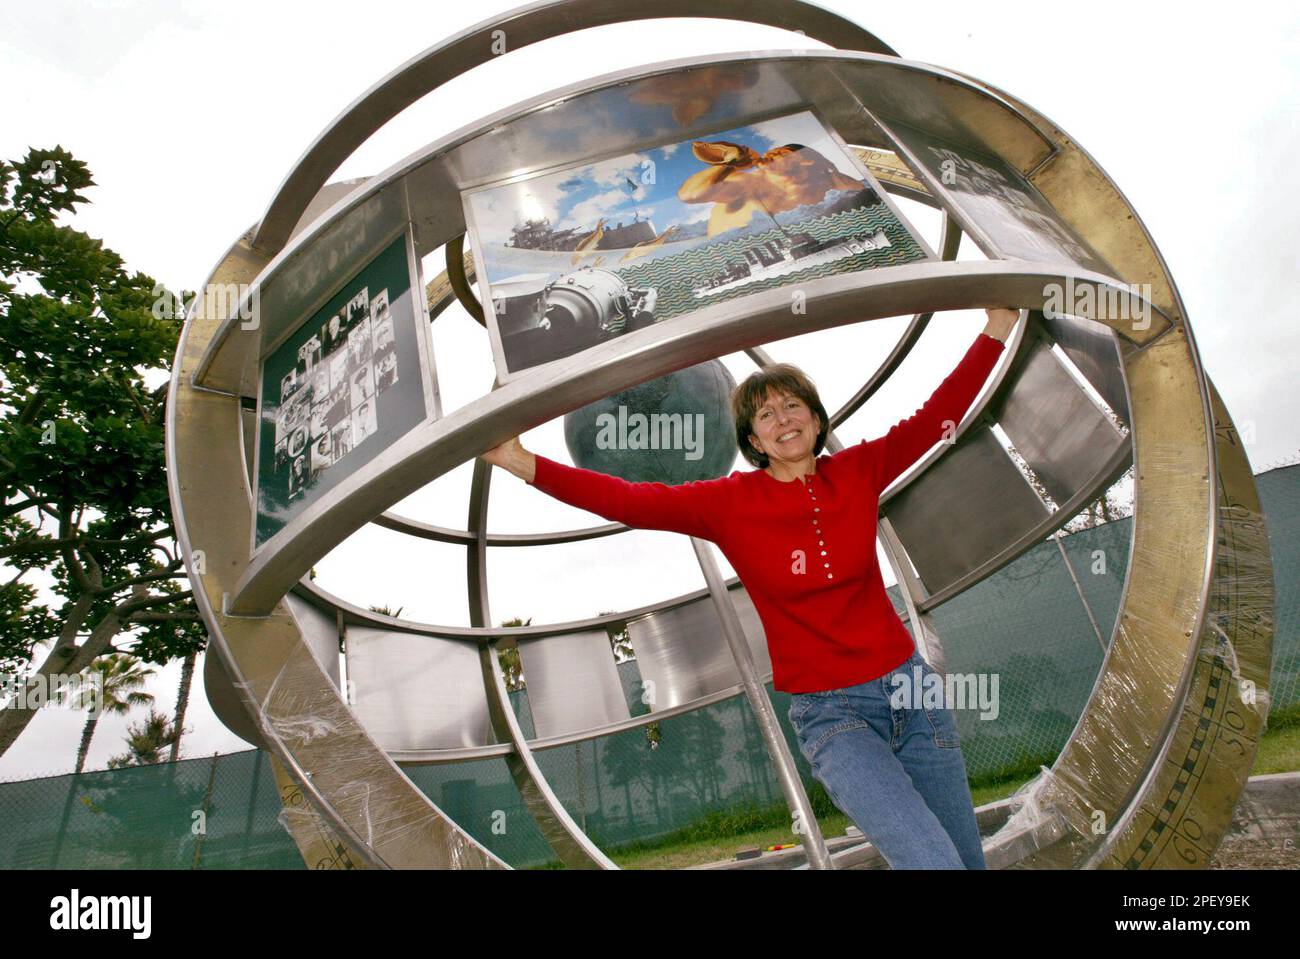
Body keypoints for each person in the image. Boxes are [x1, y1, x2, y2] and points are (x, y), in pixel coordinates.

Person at [480, 308, 1019, 869]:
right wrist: (522, 462)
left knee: (965, 861)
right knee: (932, 863)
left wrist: (996, 328)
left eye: (793, 406)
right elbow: (626, 499)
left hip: (912, 689)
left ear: (815, 419)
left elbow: (938, 418)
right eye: (766, 414)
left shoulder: (857, 472)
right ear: (752, 439)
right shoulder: (728, 504)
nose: (783, 419)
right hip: (835, 715)